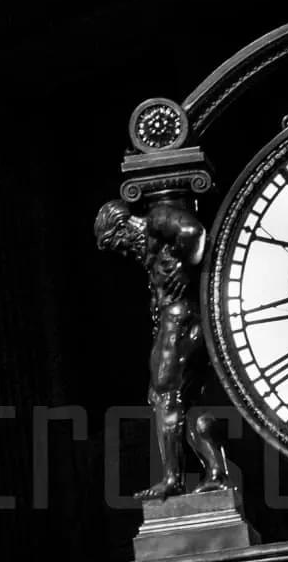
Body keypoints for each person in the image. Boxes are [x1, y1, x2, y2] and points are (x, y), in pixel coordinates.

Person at [94, 197, 230, 498]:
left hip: (179, 318)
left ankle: (173, 479)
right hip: (180, 318)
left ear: (123, 226)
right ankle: (216, 473)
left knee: (164, 395)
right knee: (185, 400)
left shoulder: (156, 220)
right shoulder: (148, 245)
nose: (123, 251)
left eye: (117, 243)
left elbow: (193, 232)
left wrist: (184, 267)